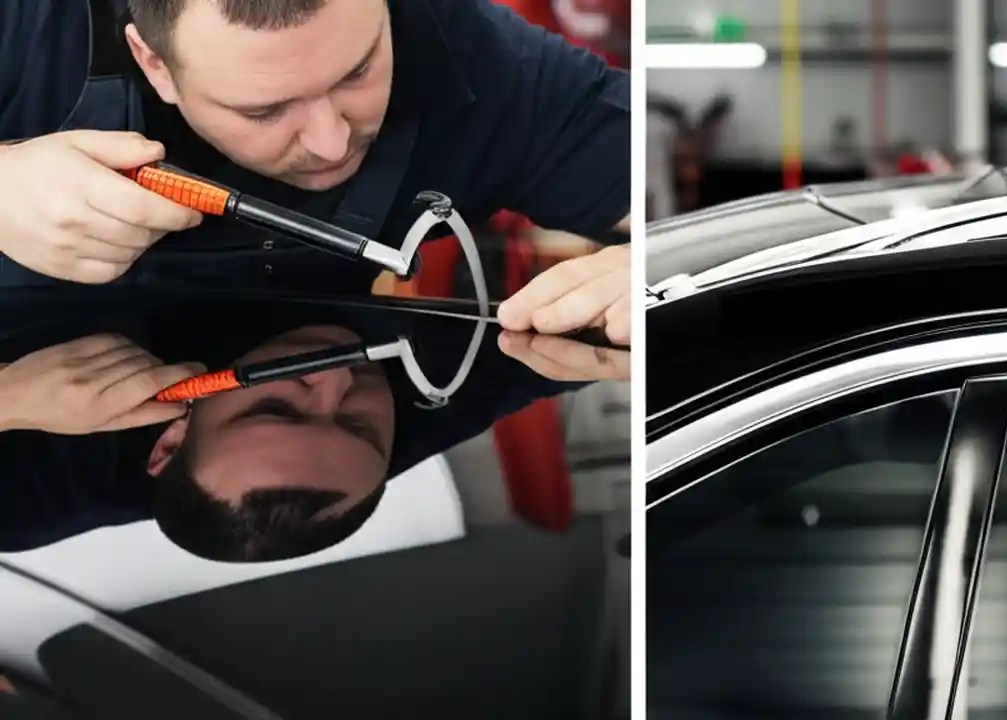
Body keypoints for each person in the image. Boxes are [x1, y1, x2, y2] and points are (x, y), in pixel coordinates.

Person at [0, 0, 631, 345]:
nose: (331, 144)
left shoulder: (488, 61)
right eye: (265, 109)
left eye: (357, 71)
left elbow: (700, 210)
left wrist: (653, 261)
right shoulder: (22, 28)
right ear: (153, 62)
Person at [0, 293, 624, 561]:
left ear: (170, 438)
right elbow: (593, 343)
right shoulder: (415, 407)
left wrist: (11, 397)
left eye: (273, 408)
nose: (337, 380)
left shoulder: (23, 498)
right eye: (360, 425)